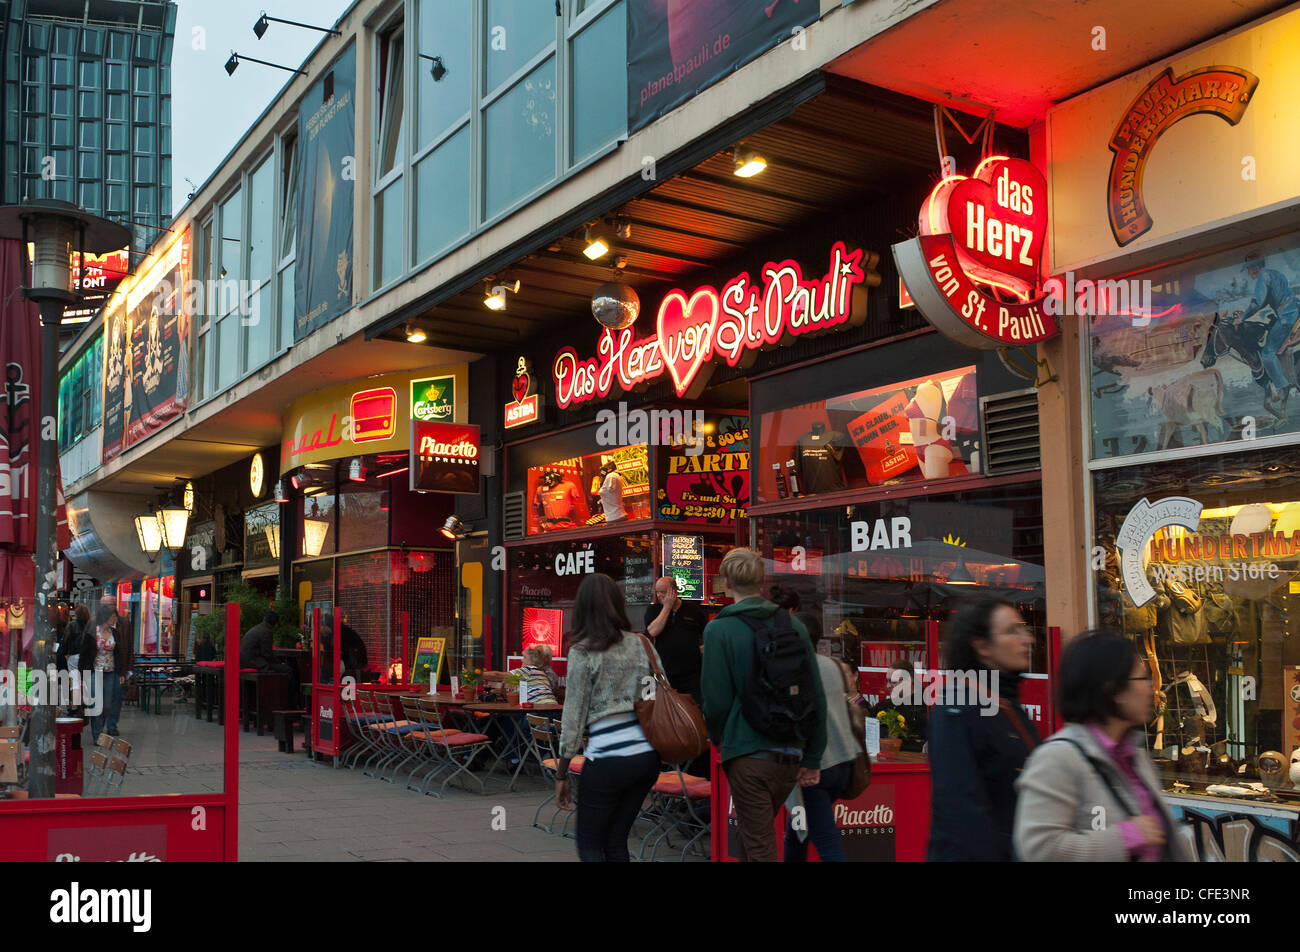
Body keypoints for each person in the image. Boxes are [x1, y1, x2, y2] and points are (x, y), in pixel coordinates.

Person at [1014, 631, 1192, 861]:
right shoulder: (1058, 758)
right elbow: (1040, 850)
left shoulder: (1133, 757)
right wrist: (1127, 836)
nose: (1152, 689)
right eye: (1143, 679)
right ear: (1114, 690)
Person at [701, 547, 827, 862]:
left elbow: (715, 700)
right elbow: (816, 694)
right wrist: (812, 755)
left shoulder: (719, 629)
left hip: (747, 752)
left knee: (758, 846)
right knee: (750, 836)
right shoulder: (792, 625)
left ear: (726, 582)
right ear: (762, 581)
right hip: (790, 752)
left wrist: (720, 739)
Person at [556, 573, 665, 862]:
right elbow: (658, 691)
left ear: (582, 608)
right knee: (616, 841)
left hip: (607, 758)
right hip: (645, 757)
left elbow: (573, 716)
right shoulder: (642, 644)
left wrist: (561, 771)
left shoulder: (582, 651)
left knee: (590, 845)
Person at [927, 596, 1040, 861]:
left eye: (1024, 628)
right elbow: (961, 810)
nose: (1028, 640)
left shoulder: (1004, 701)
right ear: (982, 646)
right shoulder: (959, 709)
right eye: (1013, 631)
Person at [784, 610, 860, 863]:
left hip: (815, 767)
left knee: (827, 843)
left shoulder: (795, 670)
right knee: (797, 829)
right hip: (843, 761)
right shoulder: (834, 666)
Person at [1238, 251, 1299, 414]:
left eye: (1250, 268)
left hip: (1286, 316)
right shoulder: (1276, 273)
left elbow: (1257, 302)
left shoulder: (1262, 278)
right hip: (1293, 308)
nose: (1249, 272)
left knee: (1267, 353)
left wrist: (1242, 318)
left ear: (1256, 267)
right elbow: (1276, 298)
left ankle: (1282, 386)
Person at [643, 576, 705, 699]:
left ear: (674, 591)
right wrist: (667, 607)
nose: (659, 595)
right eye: (657, 592)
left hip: (692, 674)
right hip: (665, 672)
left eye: (663, 592)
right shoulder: (654, 609)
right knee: (668, 711)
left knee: (693, 710)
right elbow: (653, 631)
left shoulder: (693, 610)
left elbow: (706, 634)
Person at [87, 601, 130, 738]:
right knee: (96, 705)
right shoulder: (93, 632)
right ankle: (97, 734)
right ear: (106, 617)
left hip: (110, 672)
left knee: (107, 706)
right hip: (95, 672)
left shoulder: (115, 633)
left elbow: (119, 653)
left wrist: (122, 672)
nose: (115, 619)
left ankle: (101, 727)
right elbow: (85, 654)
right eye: (113, 616)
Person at [240, 609, 298, 699]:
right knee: (288, 669)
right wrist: (279, 663)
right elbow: (266, 654)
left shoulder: (256, 628)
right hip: (254, 663)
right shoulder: (267, 631)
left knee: (282, 666)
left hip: (244, 661)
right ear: (275, 623)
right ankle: (290, 701)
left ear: (264, 618)